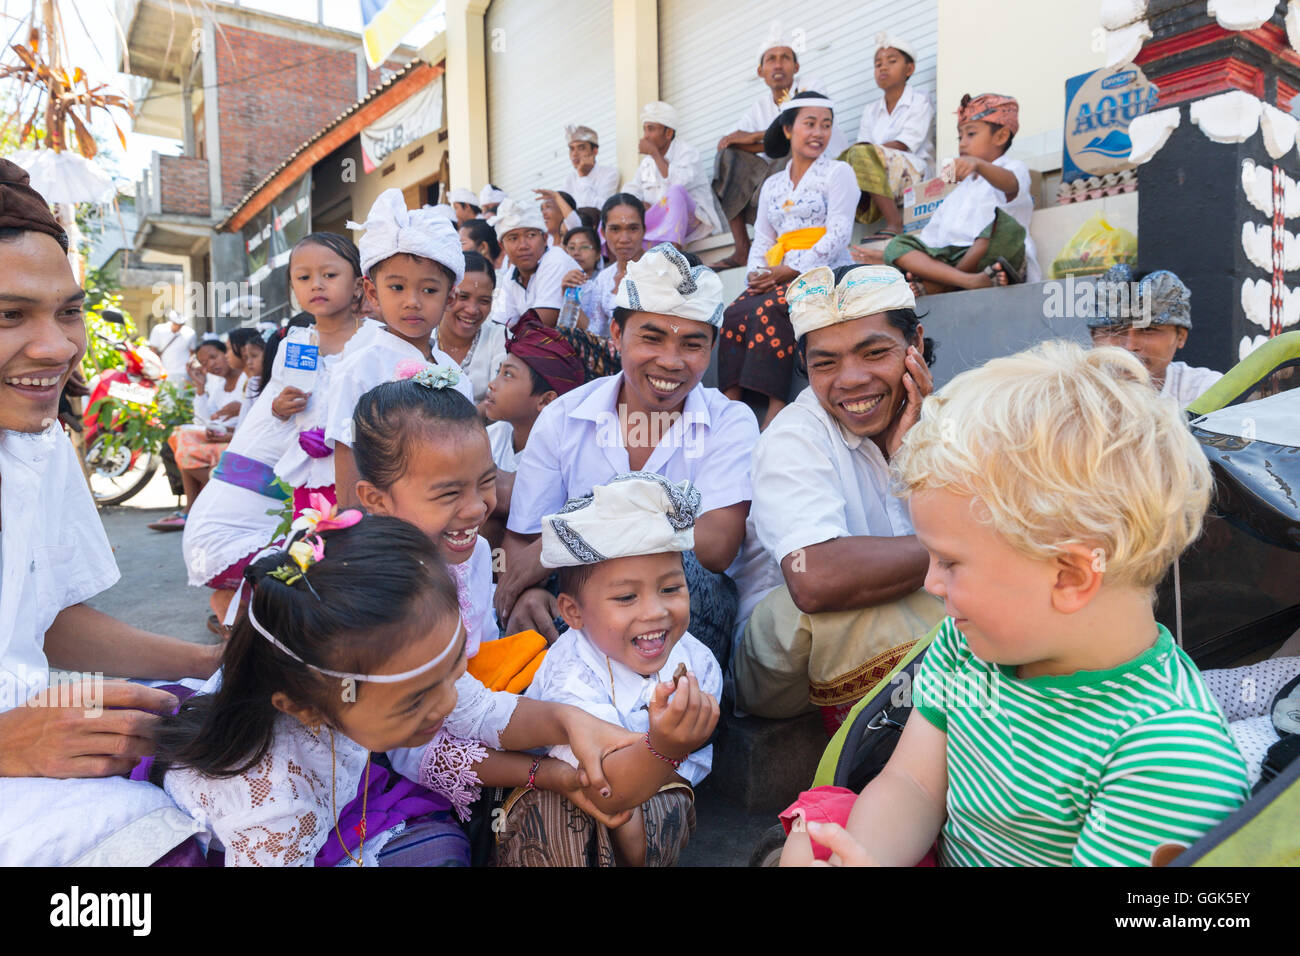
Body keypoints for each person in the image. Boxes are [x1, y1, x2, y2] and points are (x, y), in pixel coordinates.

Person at [781, 341, 1251, 867]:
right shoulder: (966, 645)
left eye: (951, 563)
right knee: (819, 835)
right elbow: (912, 784)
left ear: (1071, 576)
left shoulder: (1166, 759)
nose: (930, 581)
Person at [154, 516, 639, 866]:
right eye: (417, 699)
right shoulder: (275, 807)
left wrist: (572, 721)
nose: (448, 702)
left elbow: (480, 709)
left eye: (453, 670)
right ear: (305, 708)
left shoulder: (362, 689)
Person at [0, 157, 219, 866]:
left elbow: (44, 618)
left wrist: (214, 662)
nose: (58, 347)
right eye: (10, 315)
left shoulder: (36, 445)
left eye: (68, 310)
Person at [497, 244, 759, 665]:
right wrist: (527, 590)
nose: (671, 362)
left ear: (711, 349)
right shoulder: (564, 418)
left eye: (692, 344)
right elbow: (522, 543)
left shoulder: (731, 421)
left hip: (686, 618)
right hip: (583, 611)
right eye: (651, 338)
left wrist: (565, 538)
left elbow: (714, 547)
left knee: (676, 573)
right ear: (616, 336)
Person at [733, 265, 944, 729]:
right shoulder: (795, 436)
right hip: (779, 661)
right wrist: (966, 546)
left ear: (916, 345)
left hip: (903, 616)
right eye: (824, 363)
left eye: (873, 353)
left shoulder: (943, 424)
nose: (849, 379)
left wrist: (911, 455)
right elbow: (816, 579)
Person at [496, 473, 722, 867]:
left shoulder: (697, 660)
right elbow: (602, 786)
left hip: (653, 788)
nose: (655, 611)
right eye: (626, 597)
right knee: (568, 821)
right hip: (569, 788)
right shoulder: (570, 675)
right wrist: (663, 748)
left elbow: (683, 772)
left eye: (671, 589)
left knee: (658, 805)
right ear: (573, 612)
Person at [184, 233, 365, 632]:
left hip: (356, 473)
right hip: (310, 479)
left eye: (329, 274)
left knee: (350, 557)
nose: (316, 284)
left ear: (358, 285)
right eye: (303, 277)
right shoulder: (295, 343)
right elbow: (280, 403)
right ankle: (287, 631)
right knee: (310, 558)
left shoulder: (372, 341)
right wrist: (282, 408)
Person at [323, 189, 473, 512]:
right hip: (387, 530)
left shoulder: (455, 373)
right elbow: (349, 465)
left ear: (450, 298)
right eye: (397, 287)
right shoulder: (360, 370)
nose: (412, 301)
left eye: (429, 289)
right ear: (372, 293)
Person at [718, 92, 858, 429]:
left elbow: (839, 232)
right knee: (736, 310)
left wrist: (793, 269)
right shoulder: (773, 184)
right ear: (787, 130)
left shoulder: (838, 172)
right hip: (778, 270)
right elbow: (764, 238)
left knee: (772, 308)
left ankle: (776, 406)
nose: (818, 133)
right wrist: (757, 273)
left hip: (825, 270)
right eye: (809, 124)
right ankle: (730, 404)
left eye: (826, 125)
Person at [863, 93, 1040, 292]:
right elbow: (930, 240)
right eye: (960, 136)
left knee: (998, 229)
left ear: (1001, 136)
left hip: (991, 256)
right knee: (898, 246)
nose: (962, 143)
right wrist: (889, 256)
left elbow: (1011, 185)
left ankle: (941, 285)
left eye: (971, 134)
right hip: (954, 260)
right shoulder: (958, 190)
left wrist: (978, 165)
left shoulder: (1013, 167)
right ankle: (964, 281)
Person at [711, 35, 840, 268]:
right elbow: (731, 142)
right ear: (760, 71)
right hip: (775, 180)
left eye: (785, 58)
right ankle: (741, 249)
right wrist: (757, 138)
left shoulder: (810, 86)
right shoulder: (759, 106)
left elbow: (801, 135)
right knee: (726, 157)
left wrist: (752, 136)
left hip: (818, 169)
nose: (778, 65)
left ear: (796, 67)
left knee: (795, 148)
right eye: (771, 59)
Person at [483, 314, 585, 544]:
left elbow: (509, 498)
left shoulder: (566, 453)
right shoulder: (492, 436)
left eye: (508, 375)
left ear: (547, 401)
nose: (492, 383)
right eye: (499, 371)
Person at [840, 32, 934, 240]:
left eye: (891, 61)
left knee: (861, 154)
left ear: (909, 69)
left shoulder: (920, 100)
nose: (883, 67)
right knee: (840, 166)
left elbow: (905, 144)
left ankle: (895, 223)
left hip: (915, 171)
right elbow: (862, 146)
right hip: (881, 169)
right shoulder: (870, 110)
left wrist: (868, 154)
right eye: (878, 64)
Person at [1087, 264, 1222, 406]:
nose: (1130, 345)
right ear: (1093, 337)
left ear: (1181, 337)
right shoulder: (1070, 393)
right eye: (1114, 330)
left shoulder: (1206, 391)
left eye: (1147, 330)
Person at [153, 336, 247, 532]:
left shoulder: (247, 380)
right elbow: (204, 419)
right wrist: (200, 386)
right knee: (180, 436)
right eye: (204, 363)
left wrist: (230, 433)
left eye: (214, 357)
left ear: (228, 354)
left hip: (239, 440)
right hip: (222, 437)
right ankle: (196, 508)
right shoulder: (218, 386)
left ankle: (199, 507)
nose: (211, 365)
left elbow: (252, 422)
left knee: (185, 449)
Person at [626, 101, 722, 247]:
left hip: (693, 222)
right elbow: (631, 190)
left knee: (676, 192)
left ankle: (673, 253)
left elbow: (678, 183)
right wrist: (638, 204)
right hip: (660, 222)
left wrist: (654, 153)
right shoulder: (647, 163)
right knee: (618, 206)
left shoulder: (688, 152)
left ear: (669, 133)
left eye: (651, 129)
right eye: (644, 129)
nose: (645, 136)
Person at [492, 196, 582, 328]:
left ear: (545, 238)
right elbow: (500, 325)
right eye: (513, 238)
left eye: (531, 235)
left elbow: (540, 325)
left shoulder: (556, 260)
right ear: (502, 247)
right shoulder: (511, 275)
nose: (523, 245)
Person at [432, 250, 507, 404]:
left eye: (484, 301)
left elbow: (501, 400)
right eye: (463, 297)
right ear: (446, 294)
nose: (473, 309)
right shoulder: (423, 335)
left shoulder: (499, 337)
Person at [580, 193, 646, 338]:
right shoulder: (604, 278)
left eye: (633, 228)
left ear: (644, 230)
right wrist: (570, 299)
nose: (624, 239)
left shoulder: (660, 270)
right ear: (603, 233)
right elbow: (595, 331)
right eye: (615, 229)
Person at [562, 124, 621, 211]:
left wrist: (583, 176)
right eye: (571, 149)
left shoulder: (609, 173)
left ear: (595, 151)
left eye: (581, 148)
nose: (574, 154)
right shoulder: (569, 179)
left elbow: (598, 209)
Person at [561, 225, 603, 323]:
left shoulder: (605, 283)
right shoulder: (562, 282)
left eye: (584, 247)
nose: (576, 253)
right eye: (571, 248)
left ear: (597, 254)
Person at [147, 308, 197, 384]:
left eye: (181, 325)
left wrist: (190, 367)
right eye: (176, 324)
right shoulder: (159, 330)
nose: (178, 327)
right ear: (171, 321)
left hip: (183, 373)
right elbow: (153, 350)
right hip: (164, 372)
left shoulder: (190, 333)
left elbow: (192, 352)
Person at [227, 327, 266, 397]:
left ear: (244, 349)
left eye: (229, 349)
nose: (226, 356)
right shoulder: (246, 380)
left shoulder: (259, 381)